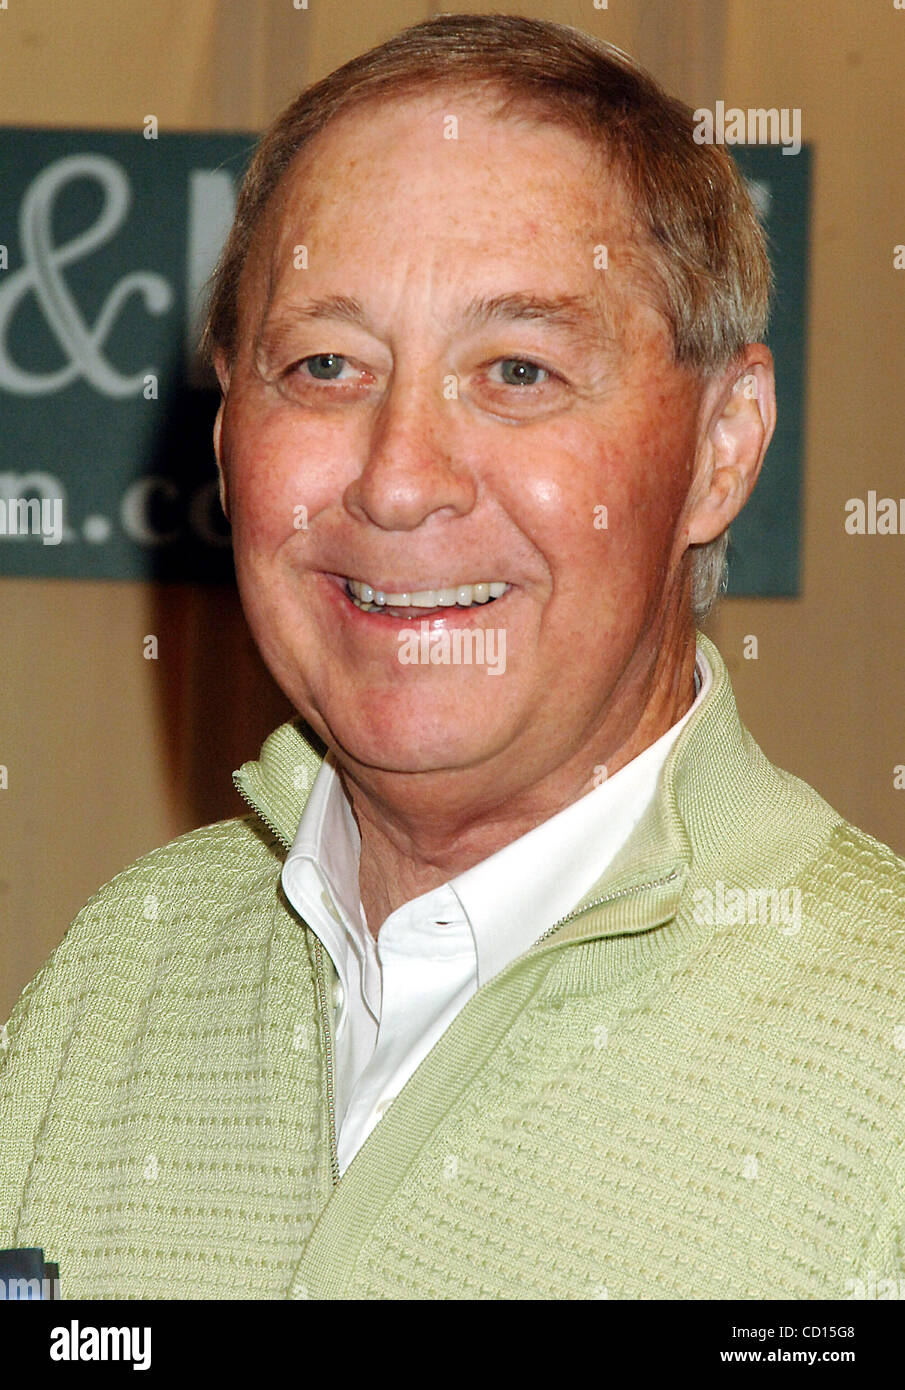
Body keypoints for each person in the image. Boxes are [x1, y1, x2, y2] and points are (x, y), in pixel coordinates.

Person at [2, 13, 902, 1300]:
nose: (398, 478)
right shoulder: (114, 979)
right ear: (223, 434)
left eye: (517, 371)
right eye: (324, 363)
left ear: (720, 446)